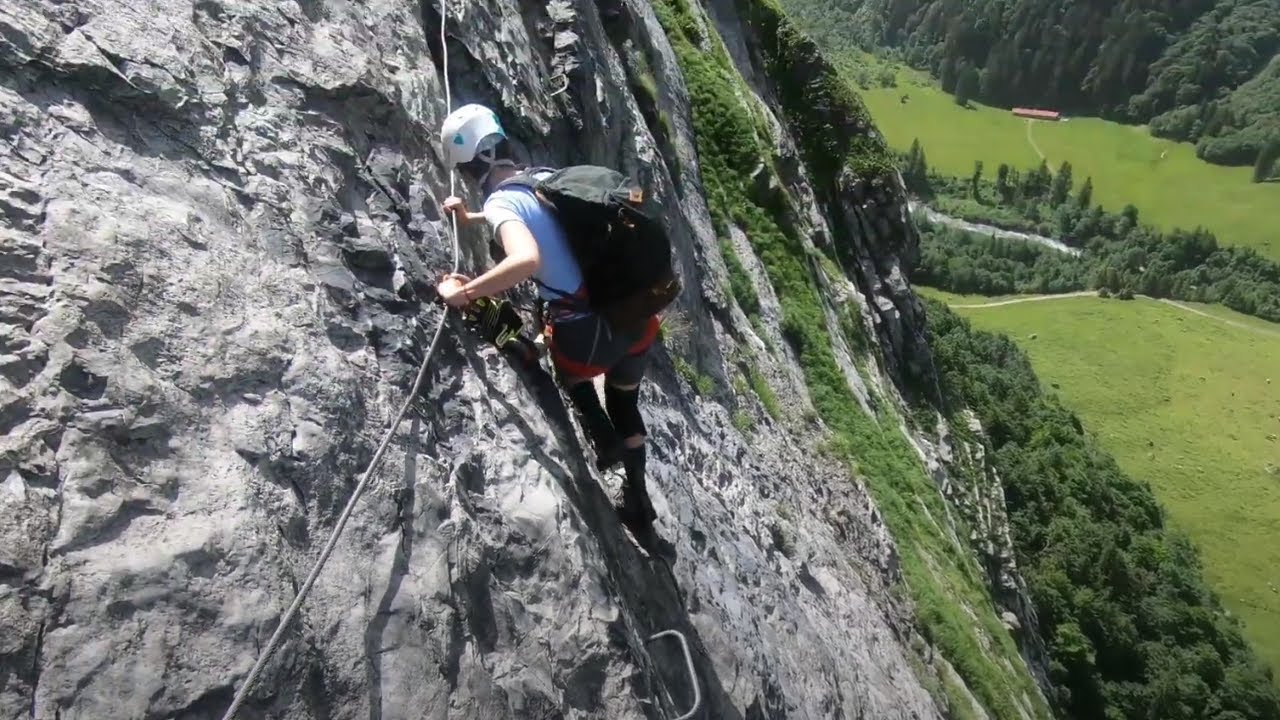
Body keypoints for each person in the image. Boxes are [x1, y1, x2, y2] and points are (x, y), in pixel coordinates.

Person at [434, 103, 659, 538]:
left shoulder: (502, 203)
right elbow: (536, 219)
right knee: (625, 401)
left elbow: (526, 258)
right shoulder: (544, 176)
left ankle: (601, 437)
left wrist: (464, 293)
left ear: (469, 170)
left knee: (573, 374)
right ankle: (639, 504)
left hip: (588, 337)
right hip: (635, 318)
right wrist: (474, 218)